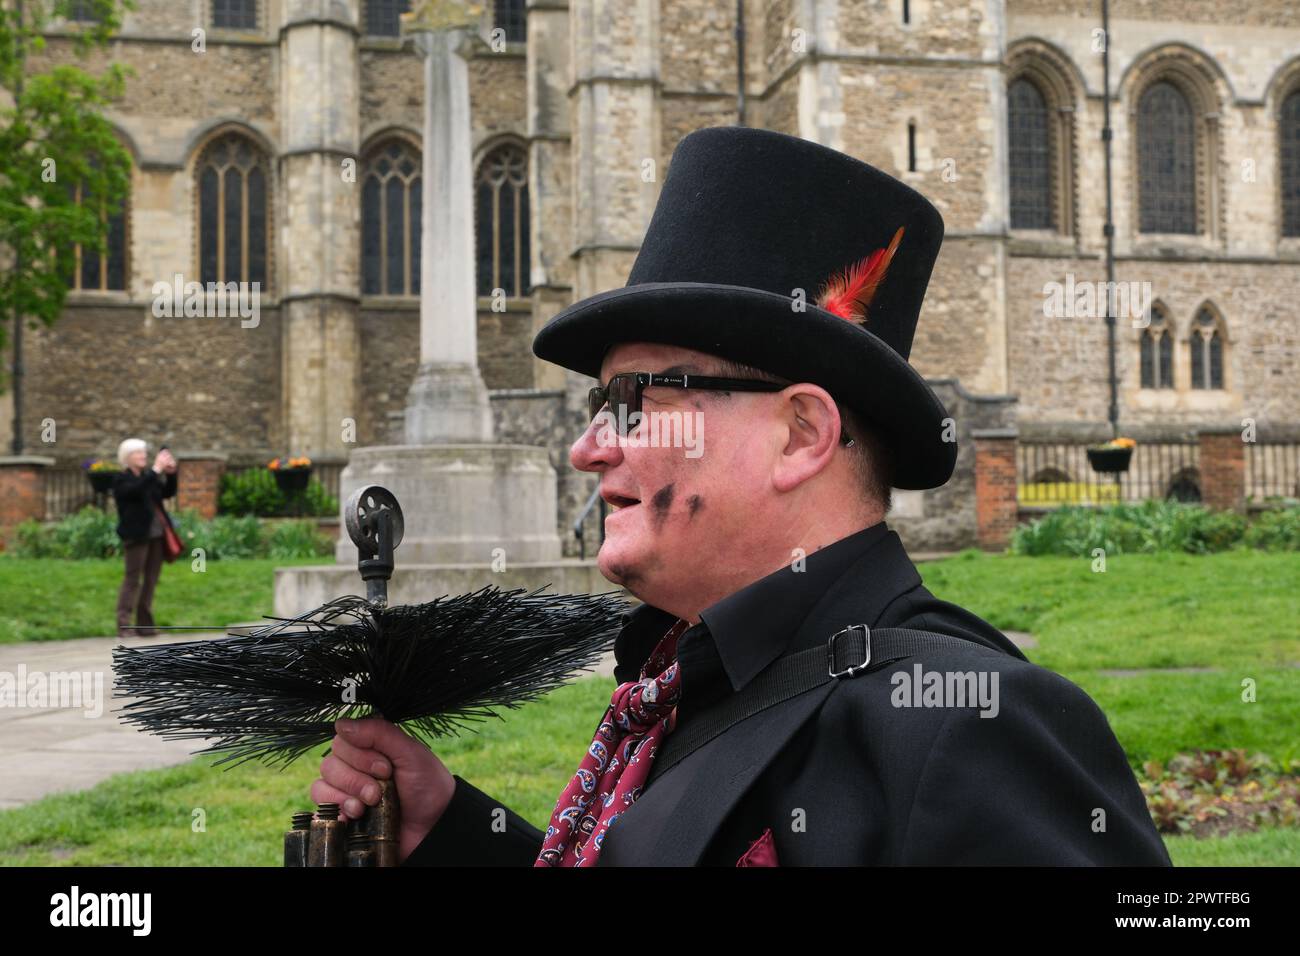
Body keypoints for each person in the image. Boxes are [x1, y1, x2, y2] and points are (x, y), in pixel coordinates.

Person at [311, 127, 1172, 866]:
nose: (586, 447)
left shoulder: (968, 727)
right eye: (597, 406)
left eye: (634, 402)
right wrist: (453, 834)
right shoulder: (689, 678)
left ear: (800, 434)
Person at [112, 439, 178, 638]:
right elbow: (136, 490)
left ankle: (145, 624)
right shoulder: (121, 479)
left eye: (143, 453)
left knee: (151, 579)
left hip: (156, 535)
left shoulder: (148, 477)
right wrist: (156, 470)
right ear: (127, 457)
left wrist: (171, 474)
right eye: (138, 453)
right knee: (132, 579)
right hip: (136, 535)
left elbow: (167, 492)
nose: (143, 456)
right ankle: (124, 624)